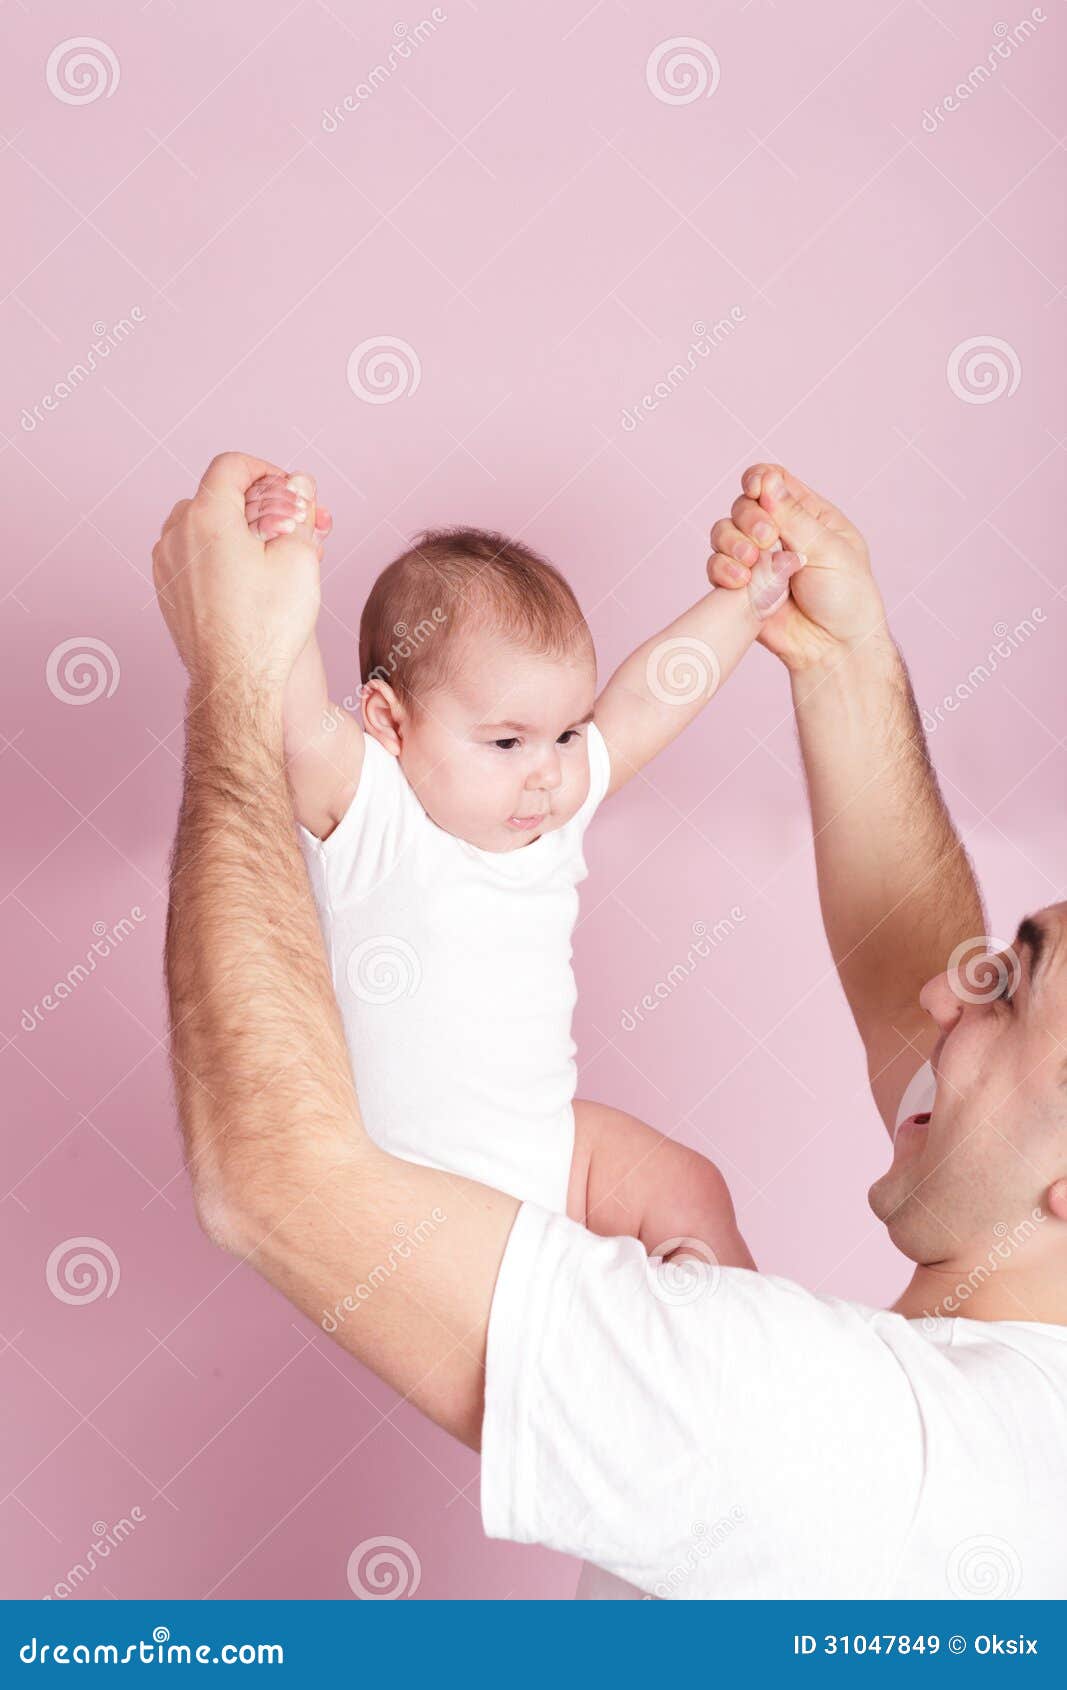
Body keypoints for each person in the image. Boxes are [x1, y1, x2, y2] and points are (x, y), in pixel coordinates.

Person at [155, 454, 1067, 1599]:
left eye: (1002, 993)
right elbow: (909, 982)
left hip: (452, 1156)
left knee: (664, 1175)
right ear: (392, 719)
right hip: (481, 1139)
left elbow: (270, 1173)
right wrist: (828, 648)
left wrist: (231, 663)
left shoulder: (834, 1434)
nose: (942, 994)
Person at [236, 470, 801, 1258]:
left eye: (566, 733)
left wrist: (745, 604)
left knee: (687, 1186)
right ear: (388, 723)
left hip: (547, 1152)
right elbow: (290, 720)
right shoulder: (372, 816)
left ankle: (721, 1342)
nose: (545, 770)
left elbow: (648, 698)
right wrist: (284, 559)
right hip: (416, 1189)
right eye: (506, 742)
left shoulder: (548, 815)